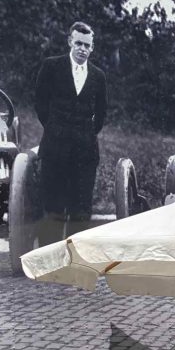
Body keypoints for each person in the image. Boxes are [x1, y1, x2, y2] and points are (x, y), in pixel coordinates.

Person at [33, 21, 107, 233]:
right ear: (70, 42)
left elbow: (101, 113)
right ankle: (51, 261)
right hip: (55, 151)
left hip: (85, 154)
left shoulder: (98, 76)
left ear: (92, 48)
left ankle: (76, 262)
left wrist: (86, 134)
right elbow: (40, 103)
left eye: (87, 45)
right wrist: (55, 129)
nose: (82, 49)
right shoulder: (51, 66)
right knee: (53, 210)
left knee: (81, 212)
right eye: (79, 44)